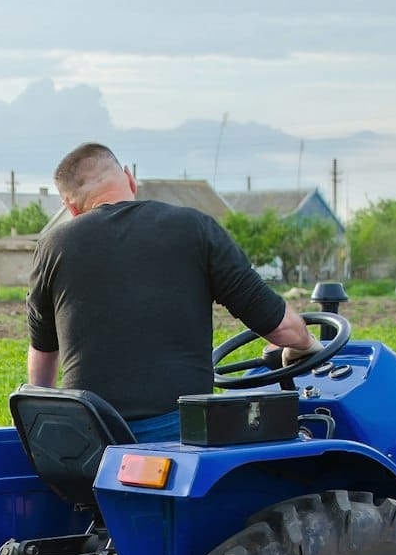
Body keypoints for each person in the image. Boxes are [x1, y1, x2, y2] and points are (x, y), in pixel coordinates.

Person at [26, 142, 314, 441]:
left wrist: (44, 424)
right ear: (129, 178)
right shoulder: (194, 228)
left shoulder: (53, 246)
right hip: (180, 436)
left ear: (71, 208)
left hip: (91, 439)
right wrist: (306, 343)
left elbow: (42, 355)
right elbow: (282, 328)